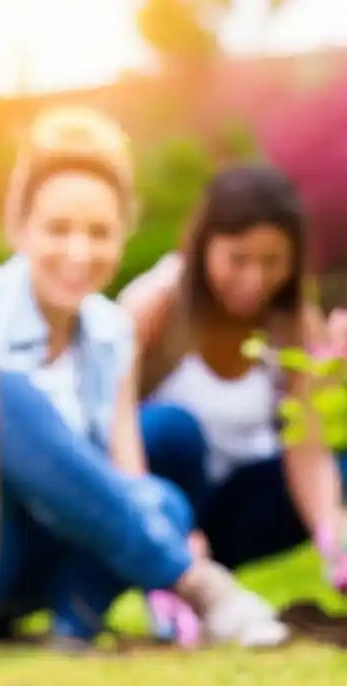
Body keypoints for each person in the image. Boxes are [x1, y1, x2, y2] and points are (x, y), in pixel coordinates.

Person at [0, 106, 289, 683]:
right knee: (1, 394)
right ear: (21, 230)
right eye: (58, 229)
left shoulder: (111, 334)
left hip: (44, 566)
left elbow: (129, 483)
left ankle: (78, 621)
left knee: (164, 500)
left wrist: (162, 593)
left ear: (121, 235)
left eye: (99, 232)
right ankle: (201, 585)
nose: (79, 252)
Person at [118, 165, 347, 639]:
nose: (253, 278)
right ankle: (172, 578)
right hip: (156, 498)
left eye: (271, 261)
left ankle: (216, 586)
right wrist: (163, 528)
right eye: (237, 259)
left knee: (340, 466)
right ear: (204, 247)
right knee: (170, 428)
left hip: (236, 511)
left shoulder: (296, 326)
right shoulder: (153, 306)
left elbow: (305, 446)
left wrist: (333, 538)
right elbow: (112, 427)